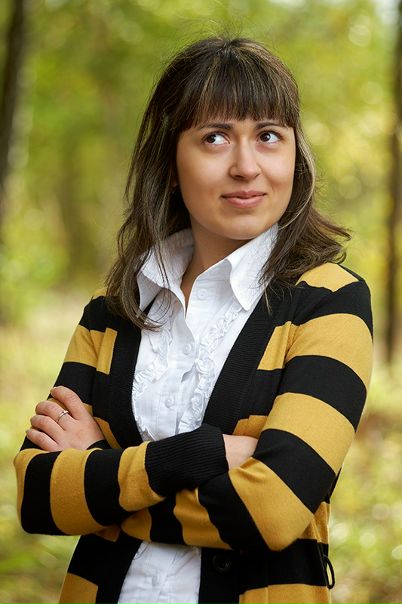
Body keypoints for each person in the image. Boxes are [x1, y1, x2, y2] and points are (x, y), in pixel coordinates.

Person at [14, 36, 373, 604]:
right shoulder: (114, 309)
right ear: (170, 162)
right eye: (214, 137)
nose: (246, 166)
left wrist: (102, 474)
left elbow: (273, 510)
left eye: (268, 136)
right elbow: (38, 497)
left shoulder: (329, 302)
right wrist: (197, 455)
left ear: (294, 156)